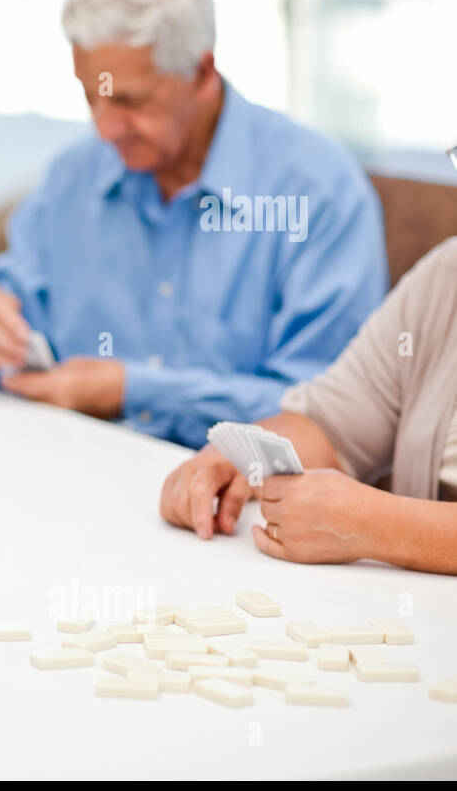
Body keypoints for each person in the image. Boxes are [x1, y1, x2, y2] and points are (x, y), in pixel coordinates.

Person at [0, 0, 387, 448]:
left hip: (232, 504)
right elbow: (2, 341)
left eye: (128, 100)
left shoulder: (318, 193)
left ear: (201, 74)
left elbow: (330, 415)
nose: (105, 127)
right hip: (62, 471)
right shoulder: (72, 179)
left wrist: (130, 390)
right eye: (90, 94)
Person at [160, 224, 457, 576]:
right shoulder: (445, 276)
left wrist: (380, 525)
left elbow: (375, 521)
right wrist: (240, 456)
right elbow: (331, 427)